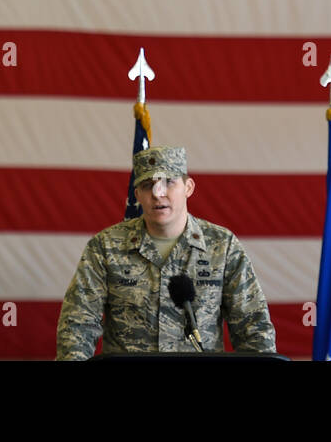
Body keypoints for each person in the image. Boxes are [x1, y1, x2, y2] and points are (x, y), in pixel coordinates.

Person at [56, 145, 277, 359]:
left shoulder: (223, 246)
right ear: (137, 195)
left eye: (168, 182)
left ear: (188, 187)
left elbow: (253, 329)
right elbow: (77, 325)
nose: (157, 193)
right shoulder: (105, 247)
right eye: (147, 185)